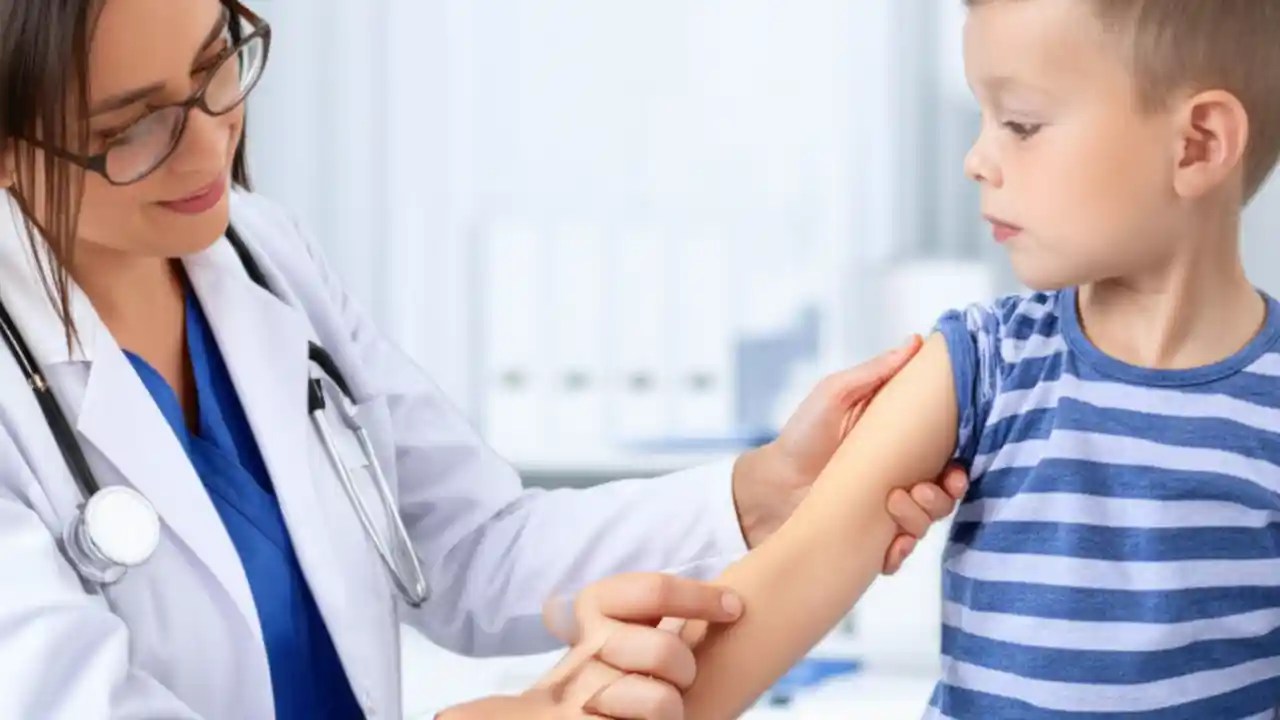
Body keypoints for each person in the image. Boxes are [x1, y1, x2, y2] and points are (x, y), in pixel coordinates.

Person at [0, 1, 967, 718]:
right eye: (132, 128)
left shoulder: (261, 258)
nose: (210, 142)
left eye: (216, 67)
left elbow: (469, 548)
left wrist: (764, 491)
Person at [562, 0, 1280, 717]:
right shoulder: (982, 365)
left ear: (1197, 144)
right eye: (983, 118)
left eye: (1021, 124)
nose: (976, 160)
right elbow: (790, 578)